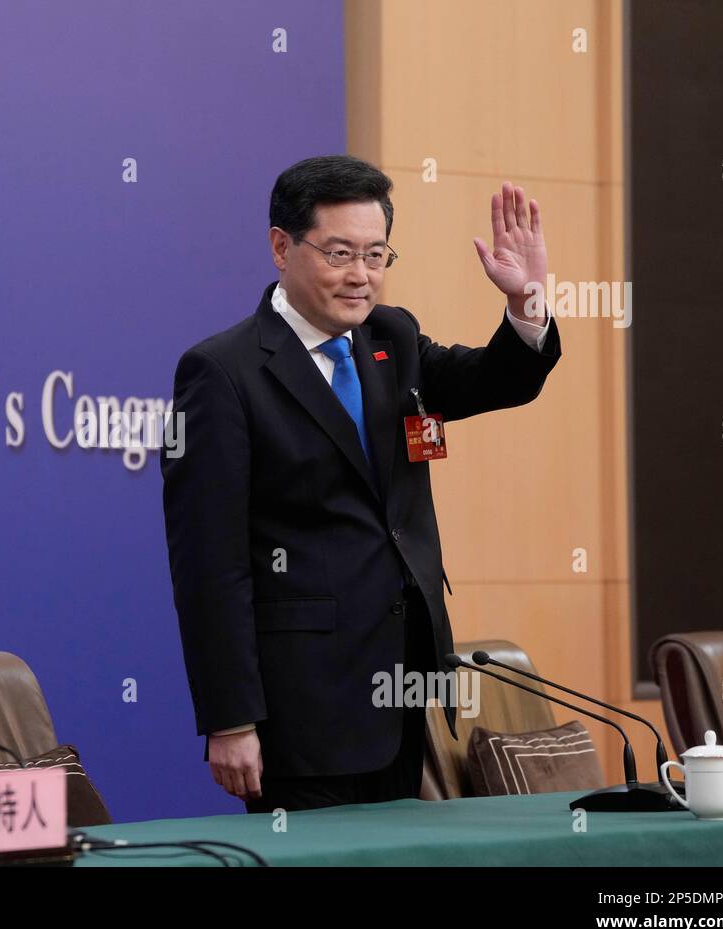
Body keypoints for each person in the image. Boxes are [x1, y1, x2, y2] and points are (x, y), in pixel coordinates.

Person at [160, 154, 561, 812]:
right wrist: (230, 720)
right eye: (341, 253)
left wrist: (526, 301)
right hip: (300, 708)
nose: (360, 276)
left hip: (399, 691)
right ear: (281, 247)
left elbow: (497, 381)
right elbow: (209, 564)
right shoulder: (221, 372)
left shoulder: (391, 338)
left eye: (376, 255)